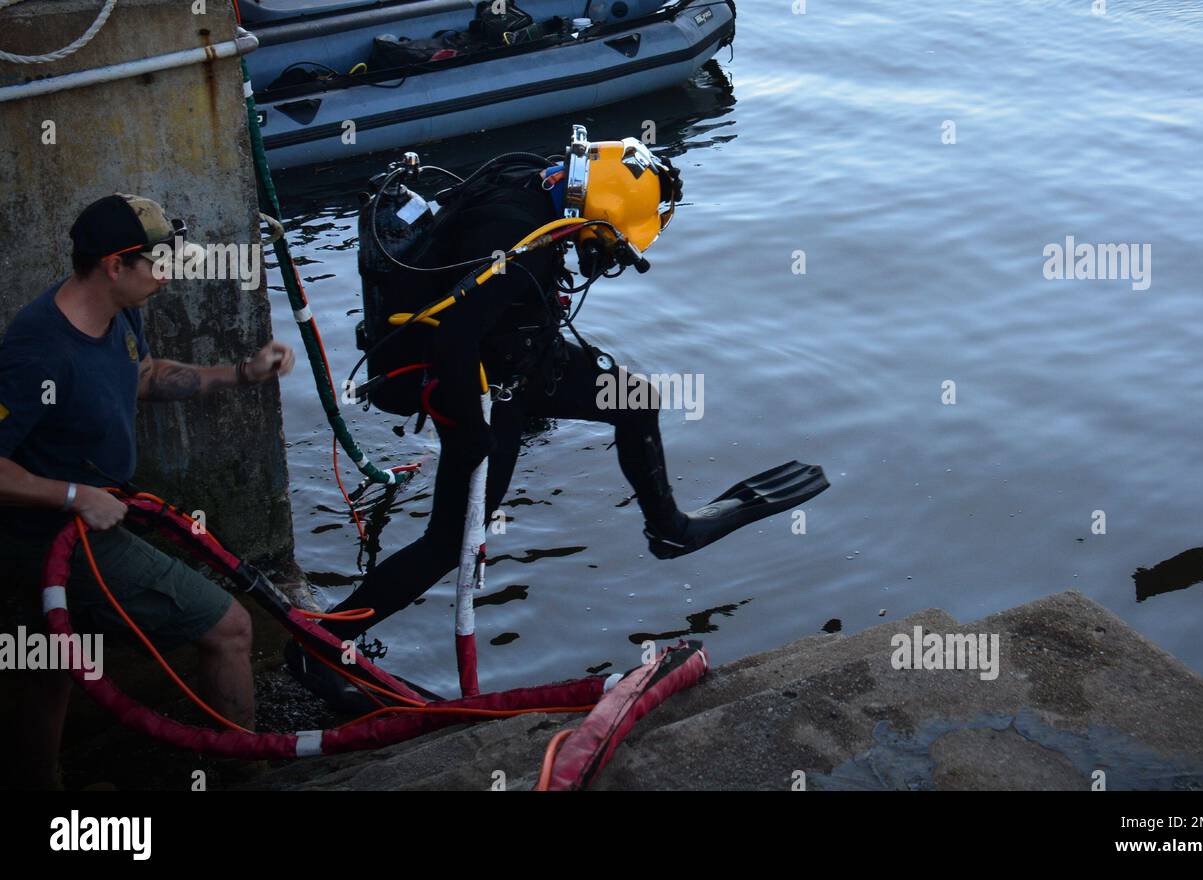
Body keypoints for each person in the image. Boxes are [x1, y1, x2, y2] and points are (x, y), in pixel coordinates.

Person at [290, 128, 828, 706]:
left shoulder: (535, 176)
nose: (607, 254)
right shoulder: (519, 237)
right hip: (476, 384)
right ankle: (321, 642)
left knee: (635, 400)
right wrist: (472, 434)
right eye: (611, 241)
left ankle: (669, 531)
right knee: (449, 543)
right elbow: (452, 339)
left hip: (525, 356)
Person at [0, 193, 296, 788]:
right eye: (157, 262)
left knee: (50, 664)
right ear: (114, 265)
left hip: (98, 516)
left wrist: (241, 373)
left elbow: (145, 375)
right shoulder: (38, 351)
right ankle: (246, 776)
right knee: (231, 628)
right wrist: (74, 496)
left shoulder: (117, 314)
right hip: (59, 536)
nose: (166, 275)